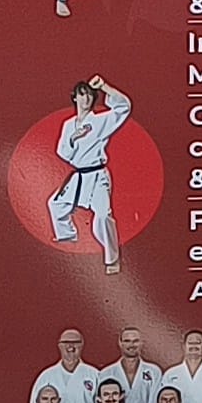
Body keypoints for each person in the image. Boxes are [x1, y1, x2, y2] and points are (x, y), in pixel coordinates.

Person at [48, 76, 128, 273]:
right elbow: (63, 153)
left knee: (102, 216)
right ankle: (67, 237)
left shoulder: (100, 121)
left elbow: (123, 107)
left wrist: (104, 87)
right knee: (55, 204)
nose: (86, 99)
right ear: (75, 98)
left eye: (90, 96)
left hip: (98, 175)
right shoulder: (69, 125)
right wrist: (73, 139)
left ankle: (112, 259)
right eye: (82, 95)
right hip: (79, 176)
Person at [34, 328, 101, 403]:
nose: (70, 347)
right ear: (59, 346)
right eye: (66, 342)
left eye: (75, 342)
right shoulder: (46, 377)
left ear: (82, 345)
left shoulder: (94, 375)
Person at [107, 325, 163, 403]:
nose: (131, 345)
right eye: (127, 341)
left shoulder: (154, 372)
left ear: (141, 343)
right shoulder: (107, 373)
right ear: (120, 343)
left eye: (135, 341)